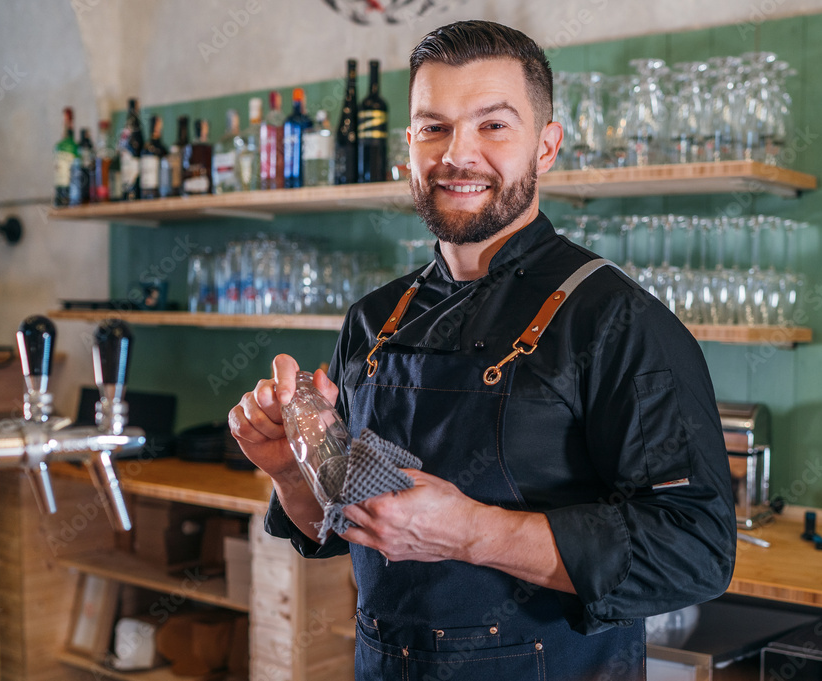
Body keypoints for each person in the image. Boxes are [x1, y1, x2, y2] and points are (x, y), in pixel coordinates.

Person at [229, 19, 736, 680]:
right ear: (408, 142)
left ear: (546, 146)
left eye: (493, 126)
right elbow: (337, 525)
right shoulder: (374, 319)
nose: (457, 155)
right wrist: (295, 468)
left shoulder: (616, 321)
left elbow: (694, 549)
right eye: (434, 127)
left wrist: (471, 532)